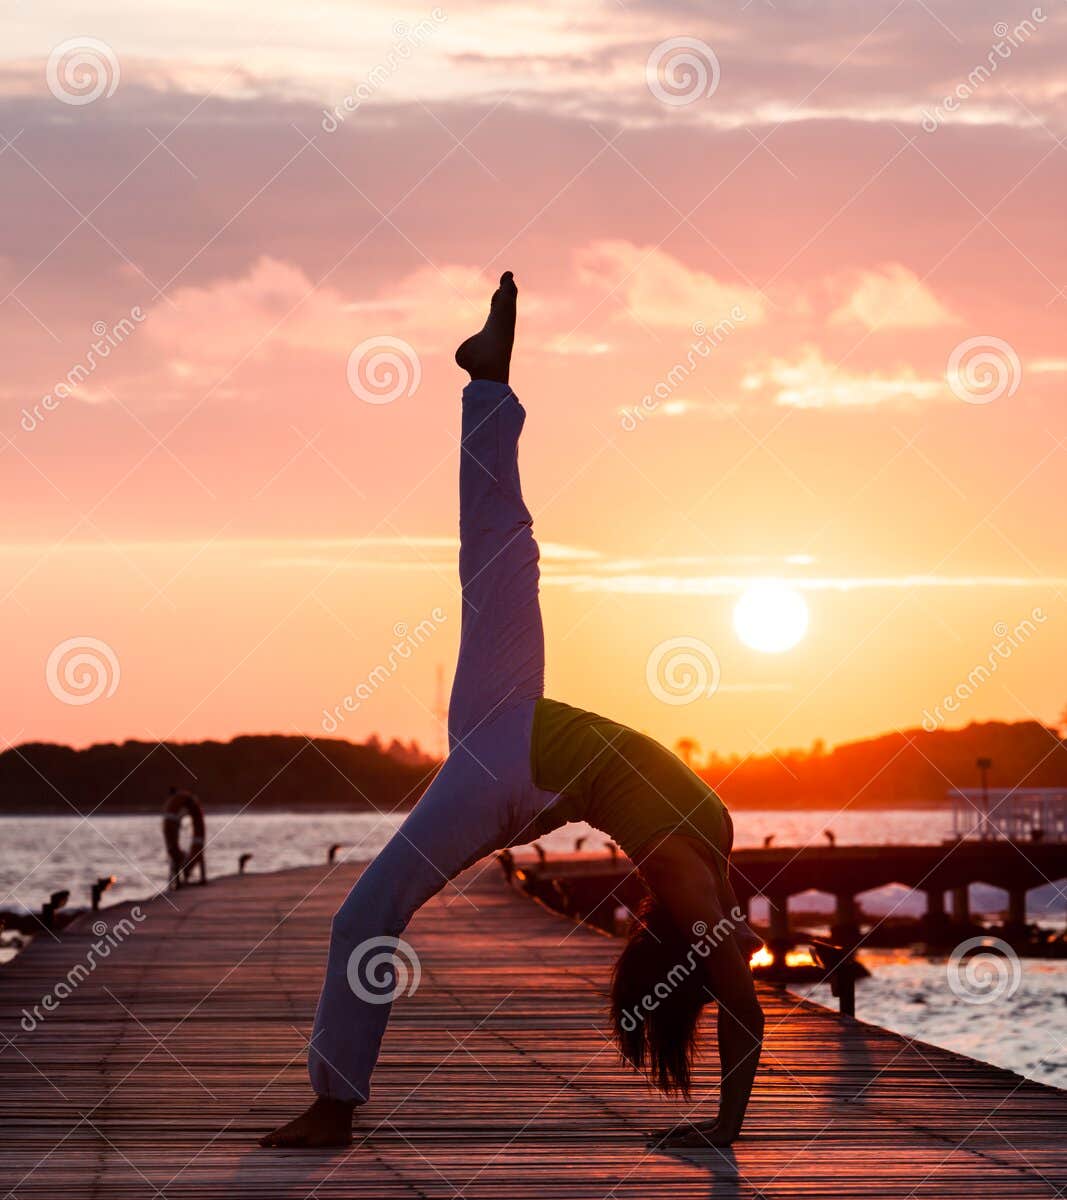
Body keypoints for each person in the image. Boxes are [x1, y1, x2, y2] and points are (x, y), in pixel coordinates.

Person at [262, 274, 764, 1152]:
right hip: (516, 720)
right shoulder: (700, 864)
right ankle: (487, 384)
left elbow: (739, 994)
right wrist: (725, 1119)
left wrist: (726, 1126)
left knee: (366, 916)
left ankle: (333, 1105)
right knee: (500, 550)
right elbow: (737, 991)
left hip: (512, 772)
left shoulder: (692, 862)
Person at [162, 787, 186, 891]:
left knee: (173, 858)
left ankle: (174, 883)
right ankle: (176, 882)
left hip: (171, 838)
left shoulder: (169, 806)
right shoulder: (173, 806)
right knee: (174, 858)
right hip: (172, 837)